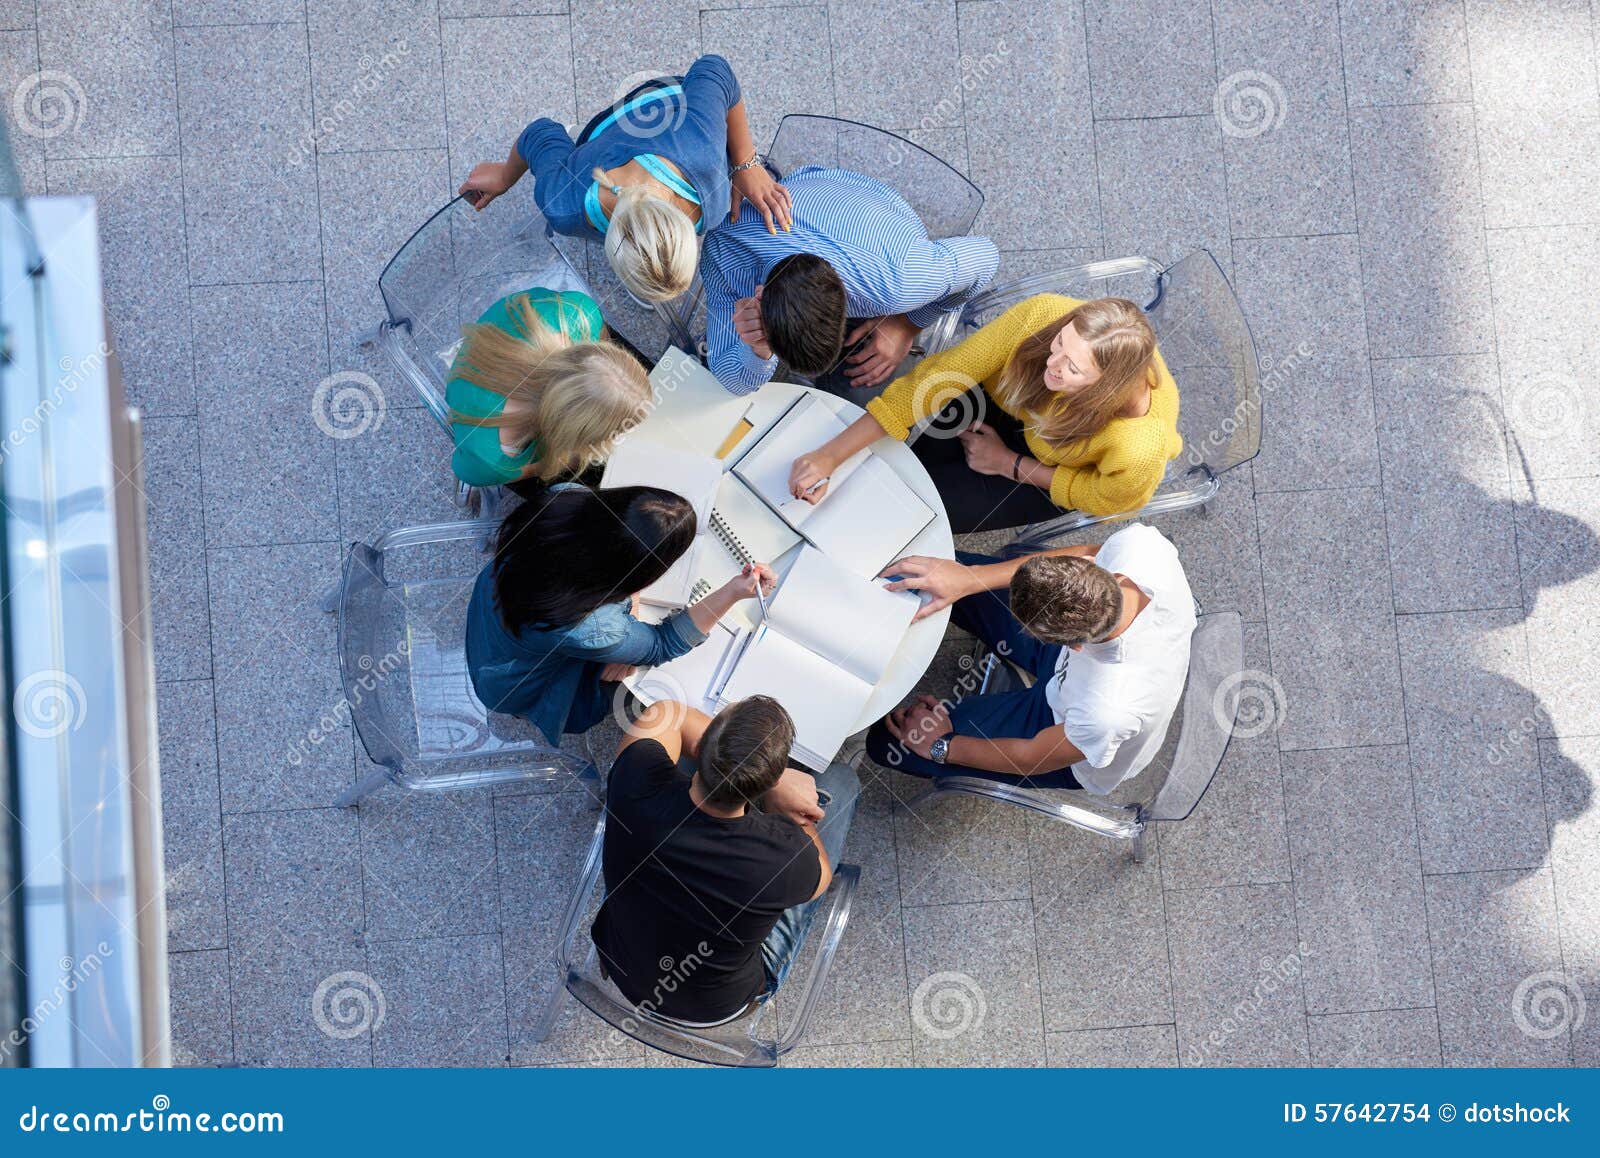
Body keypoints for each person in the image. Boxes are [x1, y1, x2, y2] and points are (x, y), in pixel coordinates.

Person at [787, 295, 1182, 533]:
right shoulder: (1045, 316)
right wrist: (831, 455)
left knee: (920, 511)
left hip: (1051, 469)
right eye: (1060, 342)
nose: (1051, 363)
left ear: (1105, 387)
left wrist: (1009, 464)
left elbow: (1102, 498)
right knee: (895, 463)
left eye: (1073, 368)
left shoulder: (1138, 446)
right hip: (1008, 405)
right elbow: (937, 378)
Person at [864, 523, 1195, 793]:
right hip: (1080, 666)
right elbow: (1089, 553)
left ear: (1072, 646)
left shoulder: (1106, 713)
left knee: (888, 743)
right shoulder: (1141, 548)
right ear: (1110, 574)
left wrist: (943, 745)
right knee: (934, 577)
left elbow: (1030, 756)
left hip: (1058, 726)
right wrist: (972, 577)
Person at [592, 695, 859, 1025]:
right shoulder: (783, 857)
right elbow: (821, 879)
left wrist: (729, 760)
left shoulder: (634, 782)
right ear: (769, 780)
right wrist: (775, 794)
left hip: (619, 959)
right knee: (842, 782)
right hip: (716, 1008)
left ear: (705, 744)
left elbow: (667, 713)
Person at [457, 56, 792, 304]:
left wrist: (745, 165)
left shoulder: (566, 204)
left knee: (579, 149)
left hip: (670, 108)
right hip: (658, 111)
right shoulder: (561, 202)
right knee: (577, 146)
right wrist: (743, 160)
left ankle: (578, 146)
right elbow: (540, 132)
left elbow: (717, 70)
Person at [464, 484, 774, 744]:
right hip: (515, 683)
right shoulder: (597, 629)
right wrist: (733, 591)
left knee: (618, 660)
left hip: (493, 614)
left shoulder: (566, 496)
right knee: (615, 680)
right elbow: (661, 645)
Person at [704, 166, 999, 395]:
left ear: (846, 302)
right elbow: (726, 378)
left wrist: (906, 324)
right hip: (807, 197)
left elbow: (986, 257)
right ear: (757, 296)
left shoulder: (895, 283)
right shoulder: (723, 258)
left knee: (871, 392)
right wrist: (757, 348)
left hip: (878, 222)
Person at [446, 287, 650, 495]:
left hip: (501, 331)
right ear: (570, 435)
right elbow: (467, 470)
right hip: (471, 397)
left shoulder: (579, 314)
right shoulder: (492, 459)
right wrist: (579, 457)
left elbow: (603, 341)